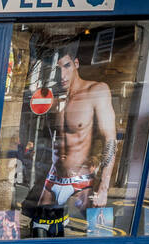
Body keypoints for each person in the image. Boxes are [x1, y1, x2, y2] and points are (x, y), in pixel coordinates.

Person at [39, 40, 117, 216]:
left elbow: (110, 140)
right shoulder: (53, 97)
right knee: (39, 230)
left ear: (76, 64)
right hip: (54, 176)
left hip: (83, 179)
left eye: (66, 66)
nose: (62, 75)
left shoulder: (96, 91)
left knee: (97, 233)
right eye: (57, 69)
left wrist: (104, 186)